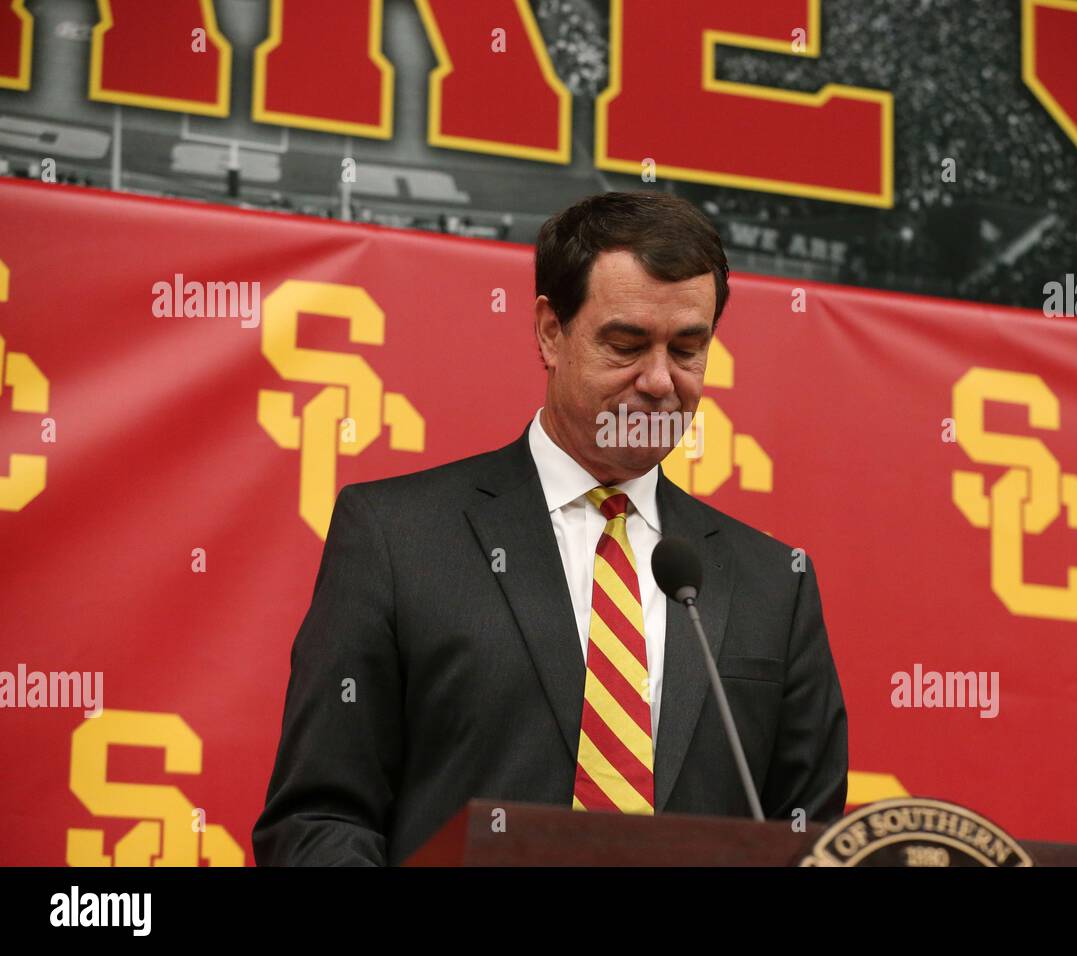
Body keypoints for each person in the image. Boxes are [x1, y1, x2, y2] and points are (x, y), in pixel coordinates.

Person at [252, 191, 848, 865]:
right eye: (625, 344)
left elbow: (814, 843)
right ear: (549, 332)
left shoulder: (775, 584)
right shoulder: (397, 539)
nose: (659, 381)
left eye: (688, 349)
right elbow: (321, 817)